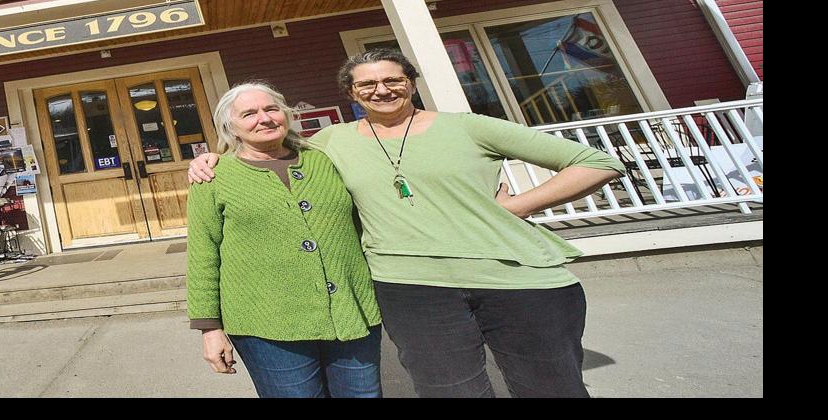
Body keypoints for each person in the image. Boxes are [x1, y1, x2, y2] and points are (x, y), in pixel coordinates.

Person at [189, 50, 625, 397]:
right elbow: (249, 176)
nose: (382, 90)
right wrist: (209, 159)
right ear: (352, 94)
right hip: (412, 287)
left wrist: (517, 205)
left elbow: (597, 163)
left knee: (550, 388)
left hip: (517, 279)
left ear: (411, 84)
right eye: (367, 85)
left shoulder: (467, 127)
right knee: (450, 391)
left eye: (393, 80)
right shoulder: (331, 143)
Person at [186, 81, 384, 398]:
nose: (264, 118)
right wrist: (209, 328)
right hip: (267, 324)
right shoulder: (214, 177)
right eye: (249, 113)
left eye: (271, 109)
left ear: (285, 115)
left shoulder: (326, 159)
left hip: (351, 311)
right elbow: (202, 255)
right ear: (230, 127)